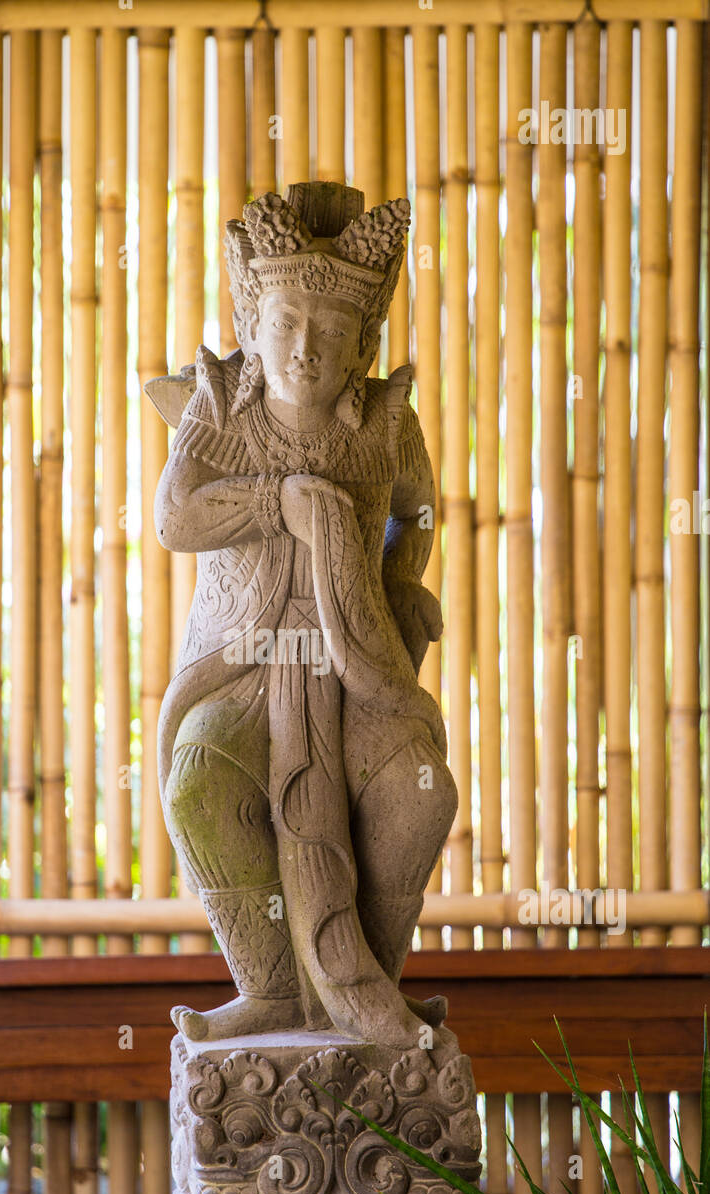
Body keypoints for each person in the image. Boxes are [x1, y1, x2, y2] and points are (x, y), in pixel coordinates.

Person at [148, 182, 456, 1049]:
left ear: (364, 344)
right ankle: (275, 988)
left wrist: (397, 584)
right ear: (252, 324)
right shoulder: (219, 410)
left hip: (351, 663)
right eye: (286, 322)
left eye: (331, 331)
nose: (306, 348)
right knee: (202, 782)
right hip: (244, 663)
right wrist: (277, 505)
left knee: (418, 795)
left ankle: (369, 990)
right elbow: (177, 516)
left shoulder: (387, 424)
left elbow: (418, 511)